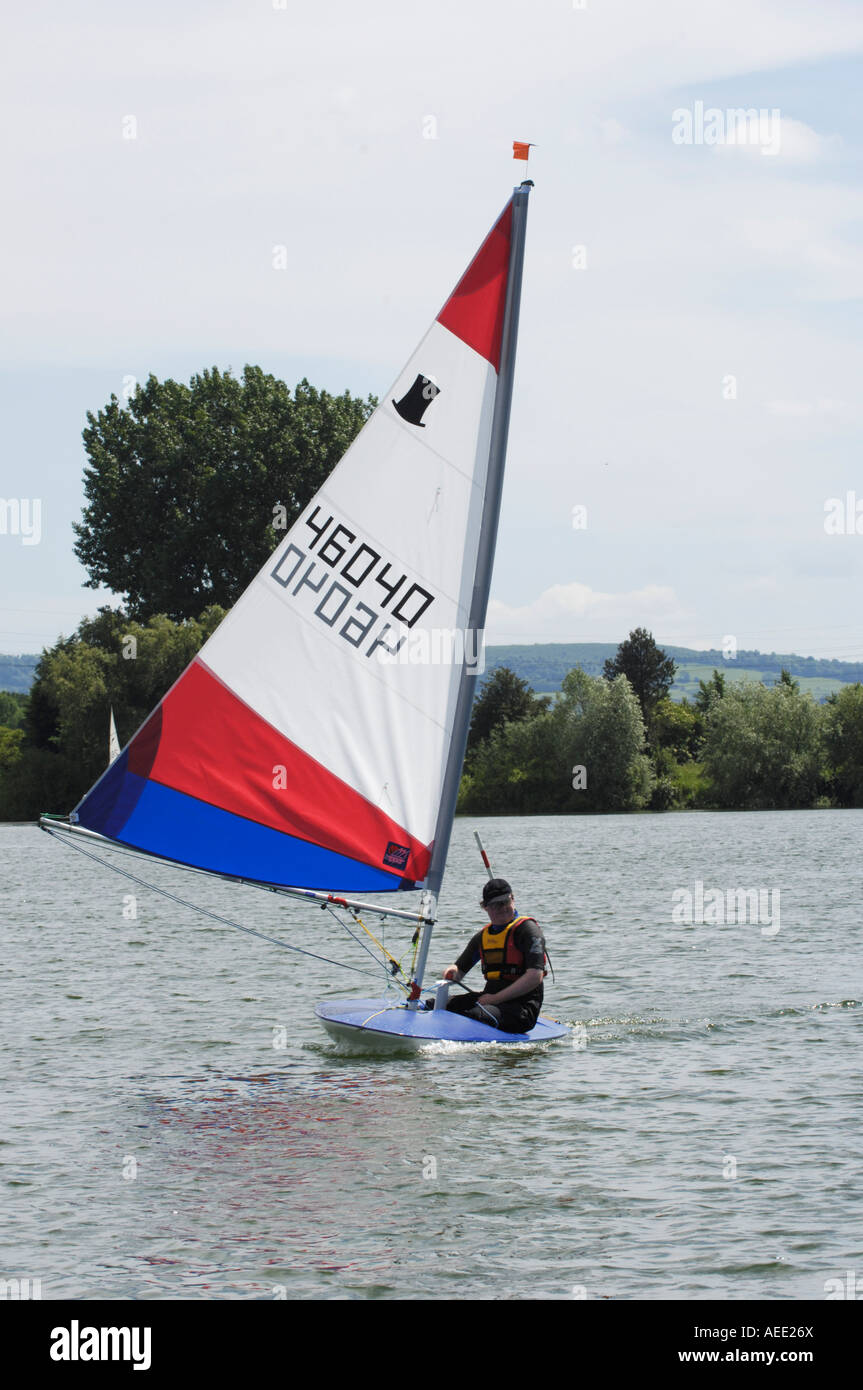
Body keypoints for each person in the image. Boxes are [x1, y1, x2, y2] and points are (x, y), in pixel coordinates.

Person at [438, 877, 547, 1034]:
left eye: (505, 902)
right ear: (485, 907)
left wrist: (495, 999)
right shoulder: (484, 936)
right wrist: (452, 972)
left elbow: (535, 976)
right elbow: (459, 970)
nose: (503, 908)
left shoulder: (528, 931)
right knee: (438, 1004)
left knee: (475, 1015)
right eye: (496, 904)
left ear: (513, 899)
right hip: (490, 1000)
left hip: (522, 1009)